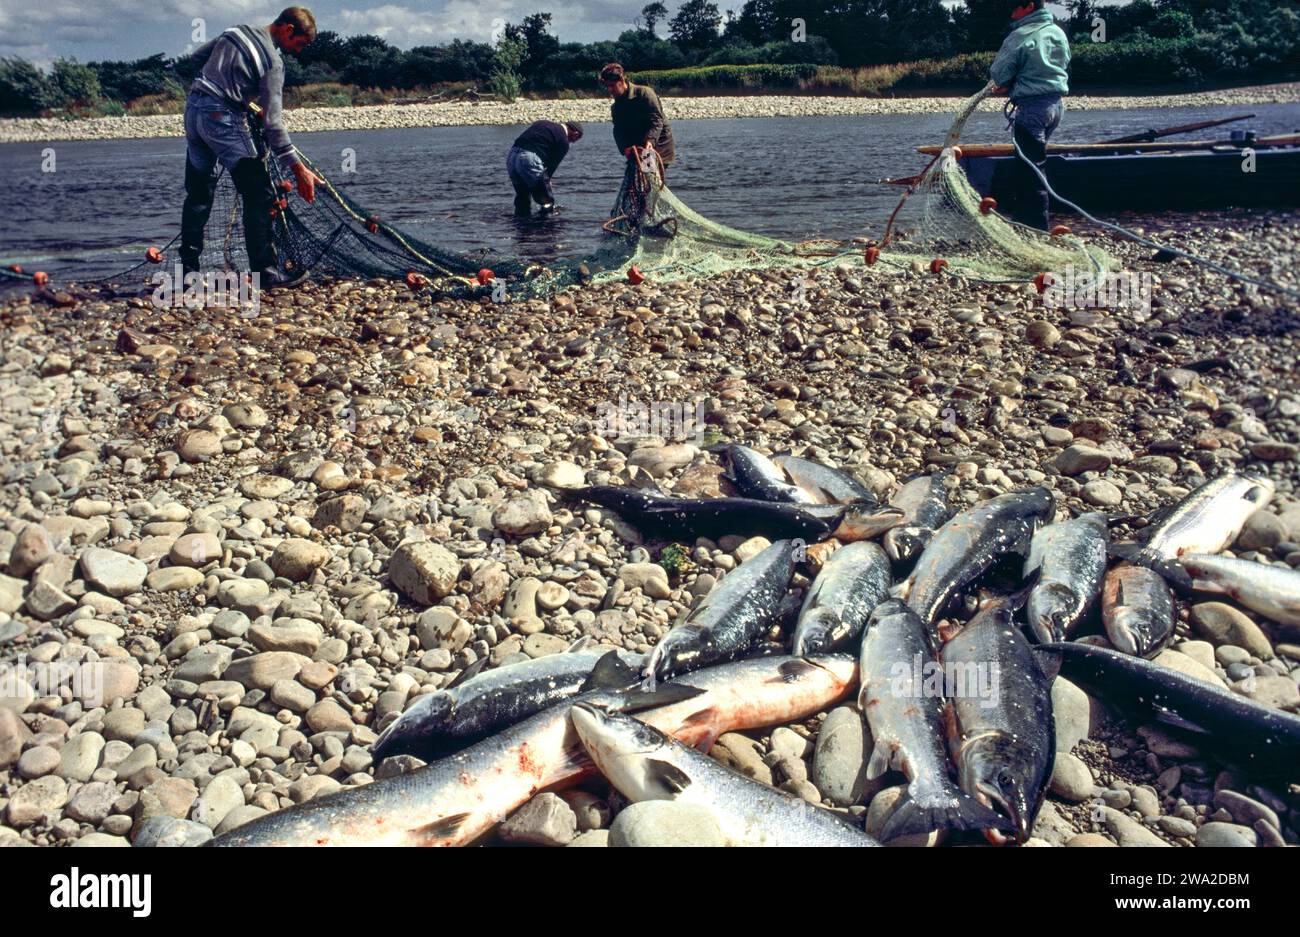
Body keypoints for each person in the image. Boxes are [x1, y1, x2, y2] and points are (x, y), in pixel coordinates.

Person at [179, 6, 322, 288]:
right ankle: (266, 271)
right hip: (222, 120)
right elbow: (274, 125)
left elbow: (193, 61)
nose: (297, 51)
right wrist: (298, 169)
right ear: (288, 29)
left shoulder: (235, 32)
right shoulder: (272, 62)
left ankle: (188, 272)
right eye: (299, 44)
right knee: (259, 191)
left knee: (198, 193)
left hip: (194, 111)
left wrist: (226, 90)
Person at [990, 0, 1070, 230]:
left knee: (1030, 172)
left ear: (1029, 6)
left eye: (1014, 6)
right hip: (1055, 108)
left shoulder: (1020, 35)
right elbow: (1060, 65)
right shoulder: (1057, 32)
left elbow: (999, 76)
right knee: (1034, 166)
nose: (1011, 12)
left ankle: (1036, 228)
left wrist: (1009, 84)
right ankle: (1025, 221)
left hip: (1032, 110)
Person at [600, 63, 676, 181]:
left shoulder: (645, 93)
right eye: (607, 86)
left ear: (621, 80)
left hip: (658, 144)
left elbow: (656, 120)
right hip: (637, 147)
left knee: (651, 181)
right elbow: (618, 131)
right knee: (636, 182)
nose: (609, 90)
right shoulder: (616, 108)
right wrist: (624, 148)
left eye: (612, 85)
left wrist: (650, 141)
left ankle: (652, 196)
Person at [507, 120, 583, 216]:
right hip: (528, 158)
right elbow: (552, 165)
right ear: (575, 134)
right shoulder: (563, 141)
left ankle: (520, 223)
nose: (572, 142)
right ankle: (544, 226)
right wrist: (546, 181)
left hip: (512, 156)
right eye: (575, 140)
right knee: (546, 199)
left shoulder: (542, 123)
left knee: (523, 195)